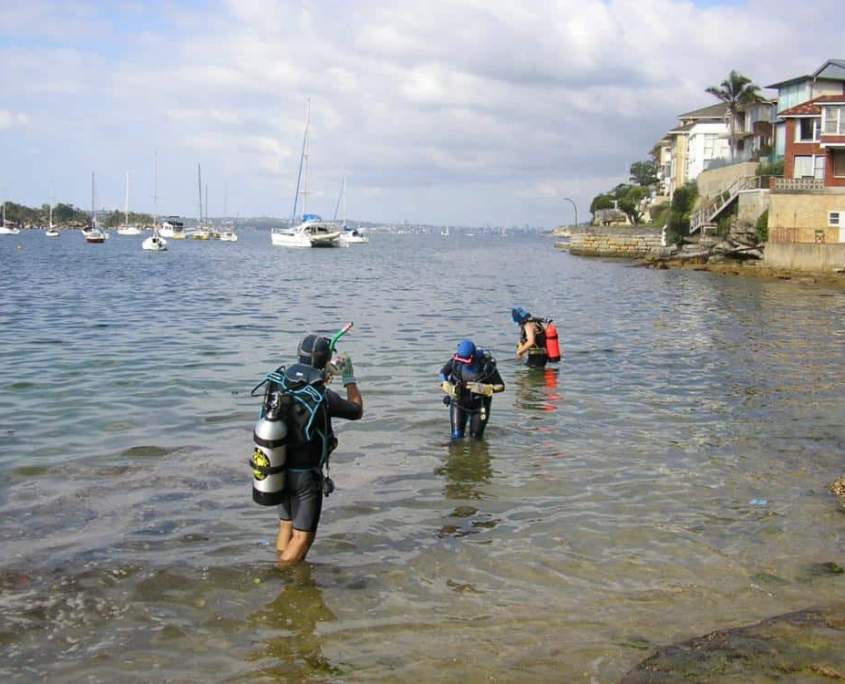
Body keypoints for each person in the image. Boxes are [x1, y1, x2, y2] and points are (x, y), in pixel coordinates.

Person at [275, 334, 363, 566]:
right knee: (303, 537)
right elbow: (356, 410)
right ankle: (277, 578)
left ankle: (288, 574)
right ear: (325, 361)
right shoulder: (323, 396)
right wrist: (348, 376)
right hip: (305, 475)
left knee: (286, 525)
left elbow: (305, 386)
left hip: (277, 466)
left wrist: (324, 374)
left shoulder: (279, 383)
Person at [439, 339, 504, 440]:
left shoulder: (486, 366)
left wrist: (486, 389)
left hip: (479, 405)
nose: (463, 363)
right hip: (458, 403)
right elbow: (443, 373)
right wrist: (445, 384)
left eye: (465, 361)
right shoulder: (455, 362)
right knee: (456, 436)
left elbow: (501, 386)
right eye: (461, 360)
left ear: (472, 356)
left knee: (476, 438)